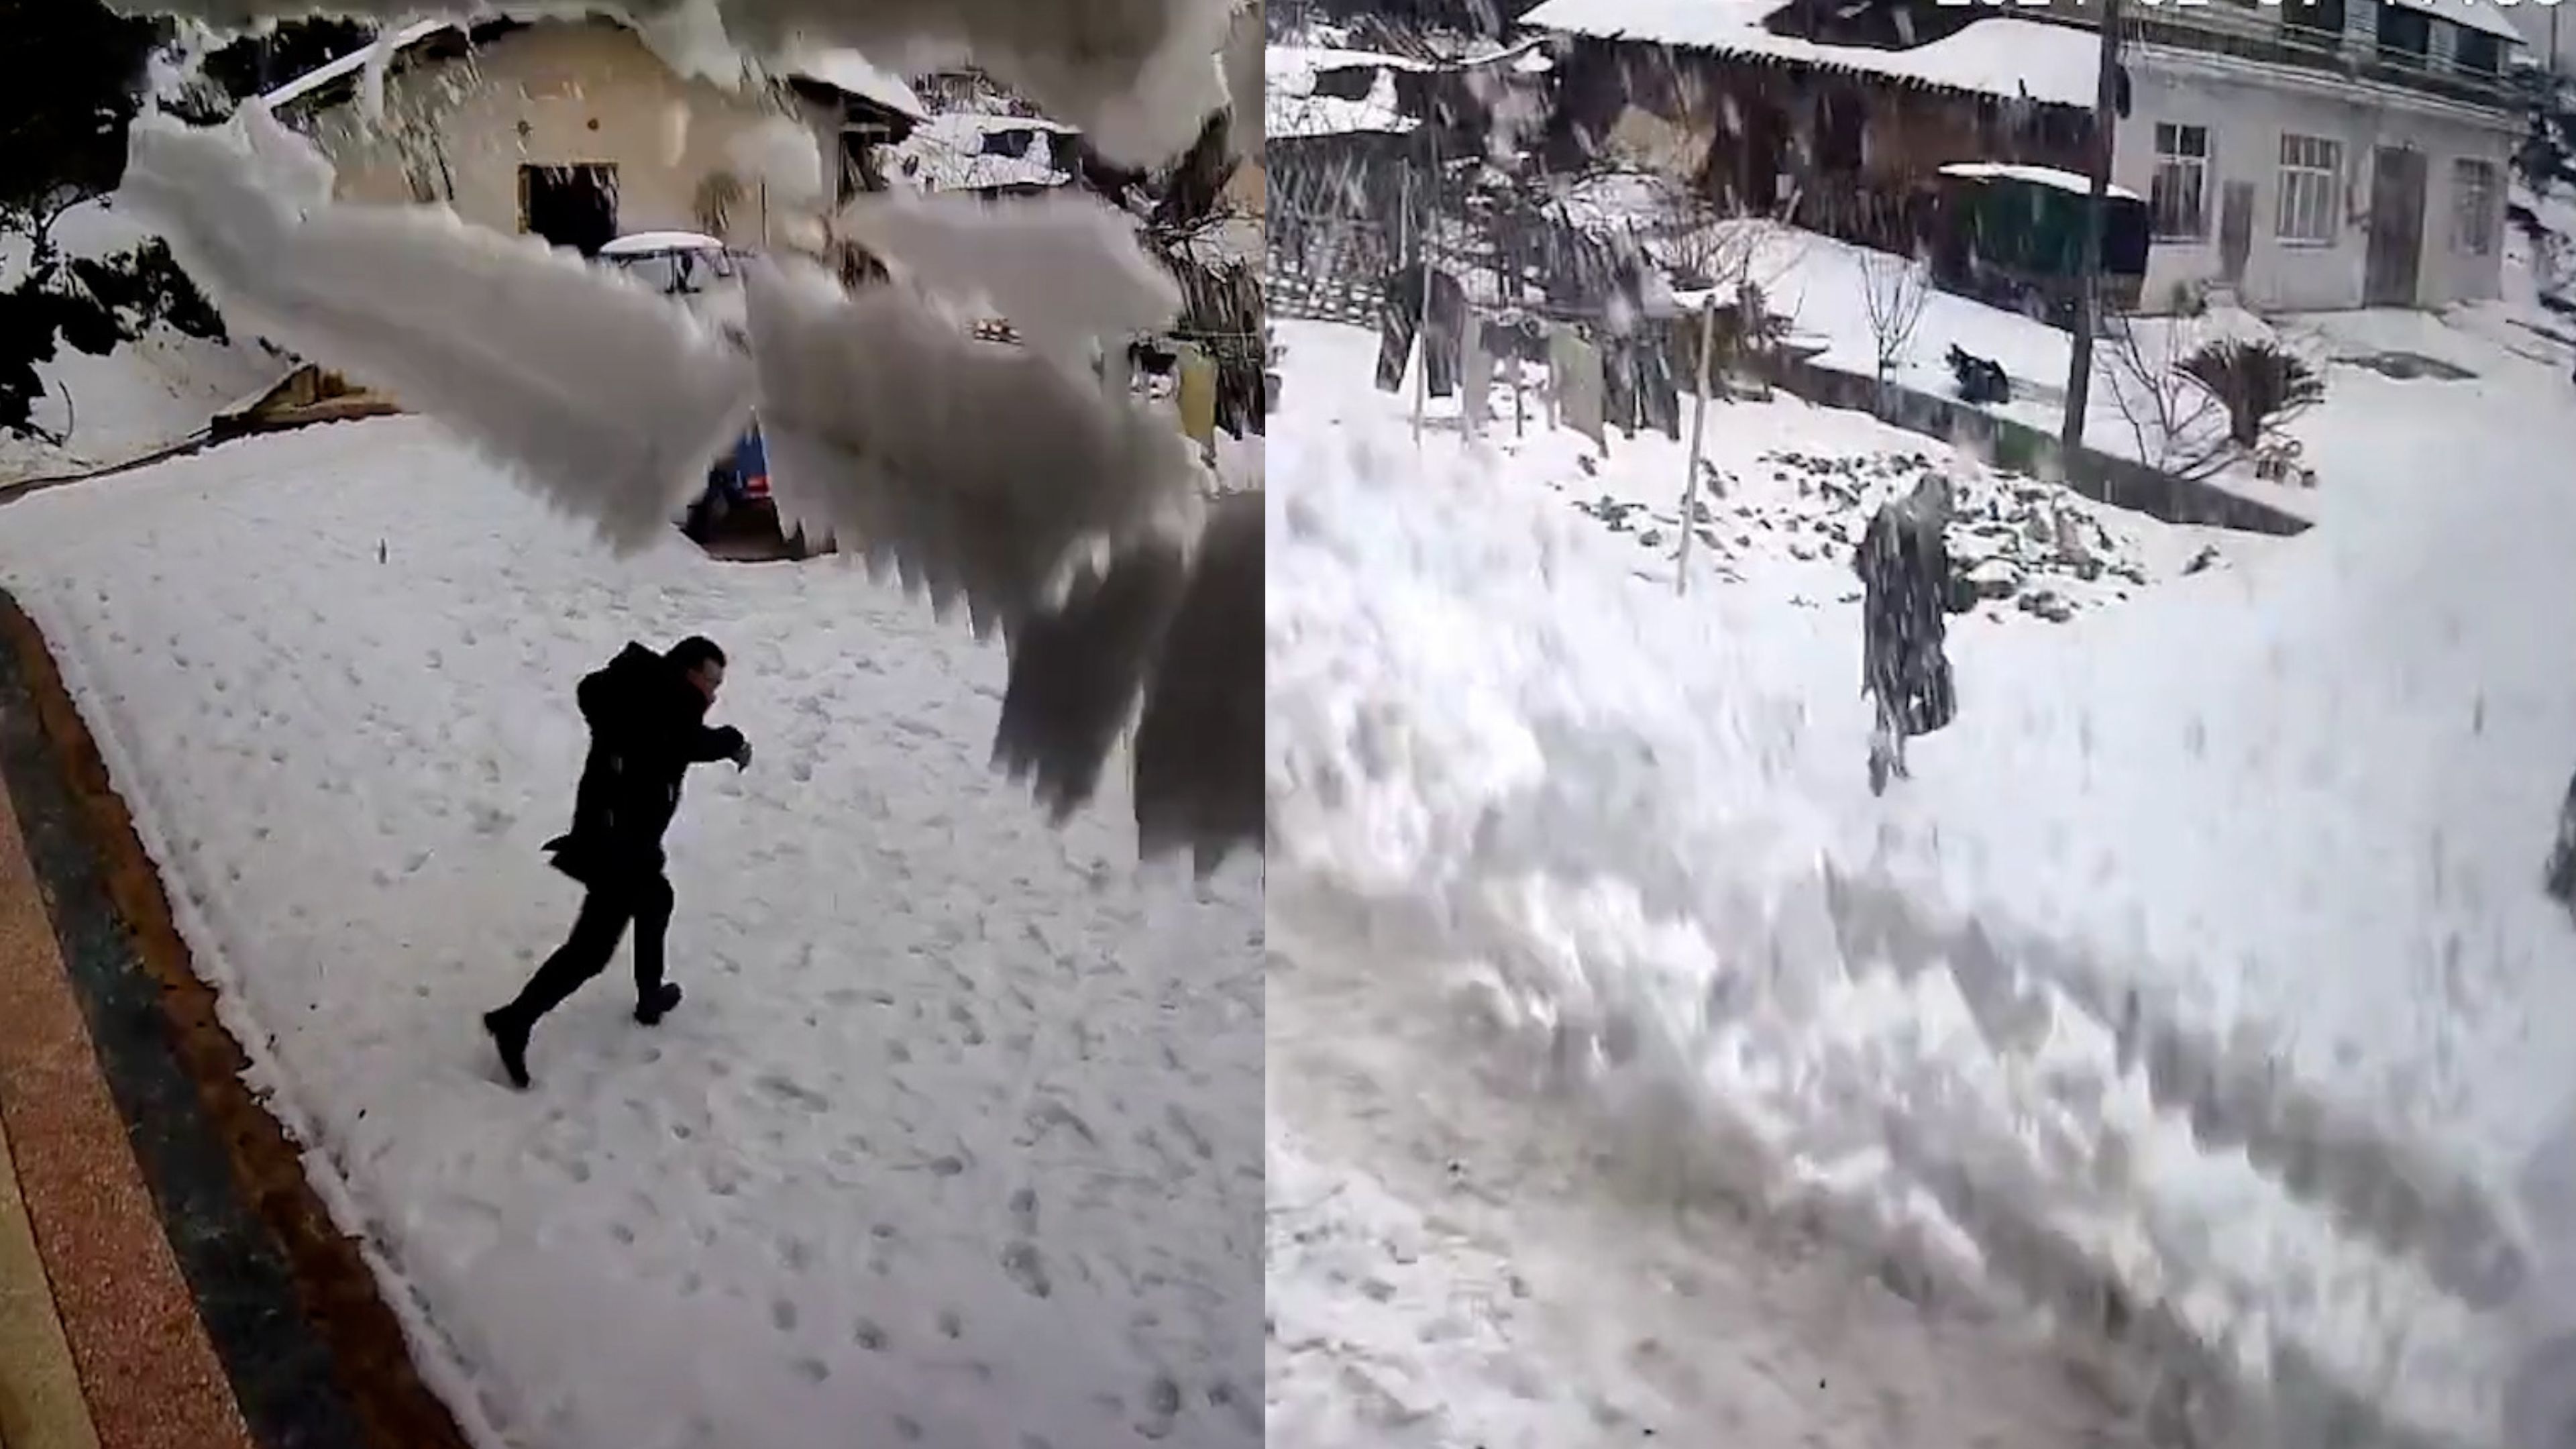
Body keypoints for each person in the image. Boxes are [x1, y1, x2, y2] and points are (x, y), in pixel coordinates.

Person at [483, 636, 751, 1089]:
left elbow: (669, 735)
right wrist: (734, 742)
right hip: (617, 846)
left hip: (619, 836)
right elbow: (690, 741)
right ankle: (515, 1021)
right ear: (689, 675)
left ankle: (649, 997)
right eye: (712, 681)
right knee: (590, 951)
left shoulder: (646, 697)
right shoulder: (665, 709)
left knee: (657, 900)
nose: (714, 693)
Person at [1855, 474, 1970, 796]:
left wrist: (1968, 592)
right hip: (1892, 636)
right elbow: (1868, 568)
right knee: (1891, 700)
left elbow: (1945, 595)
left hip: (1924, 642)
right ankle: (1876, 787)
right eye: (1943, 512)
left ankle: (1894, 735)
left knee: (1941, 705)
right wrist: (1886, 540)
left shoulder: (1935, 546)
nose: (1945, 521)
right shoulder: (1892, 526)